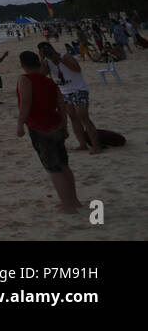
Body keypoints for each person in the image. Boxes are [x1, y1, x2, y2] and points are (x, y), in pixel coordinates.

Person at [16, 50, 80, 212]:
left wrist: (20, 125)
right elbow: (61, 106)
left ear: (22, 65)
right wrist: (65, 126)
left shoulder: (25, 79)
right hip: (56, 125)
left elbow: (25, 104)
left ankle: (67, 203)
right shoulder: (50, 82)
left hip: (40, 127)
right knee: (63, 164)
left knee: (53, 167)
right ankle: (73, 200)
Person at [37, 42, 101, 154]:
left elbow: (77, 69)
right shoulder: (47, 62)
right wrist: (42, 59)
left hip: (79, 90)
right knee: (73, 118)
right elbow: (41, 76)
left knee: (83, 117)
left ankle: (96, 146)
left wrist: (58, 58)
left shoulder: (65, 56)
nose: (47, 53)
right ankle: (82, 144)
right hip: (65, 93)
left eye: (47, 50)